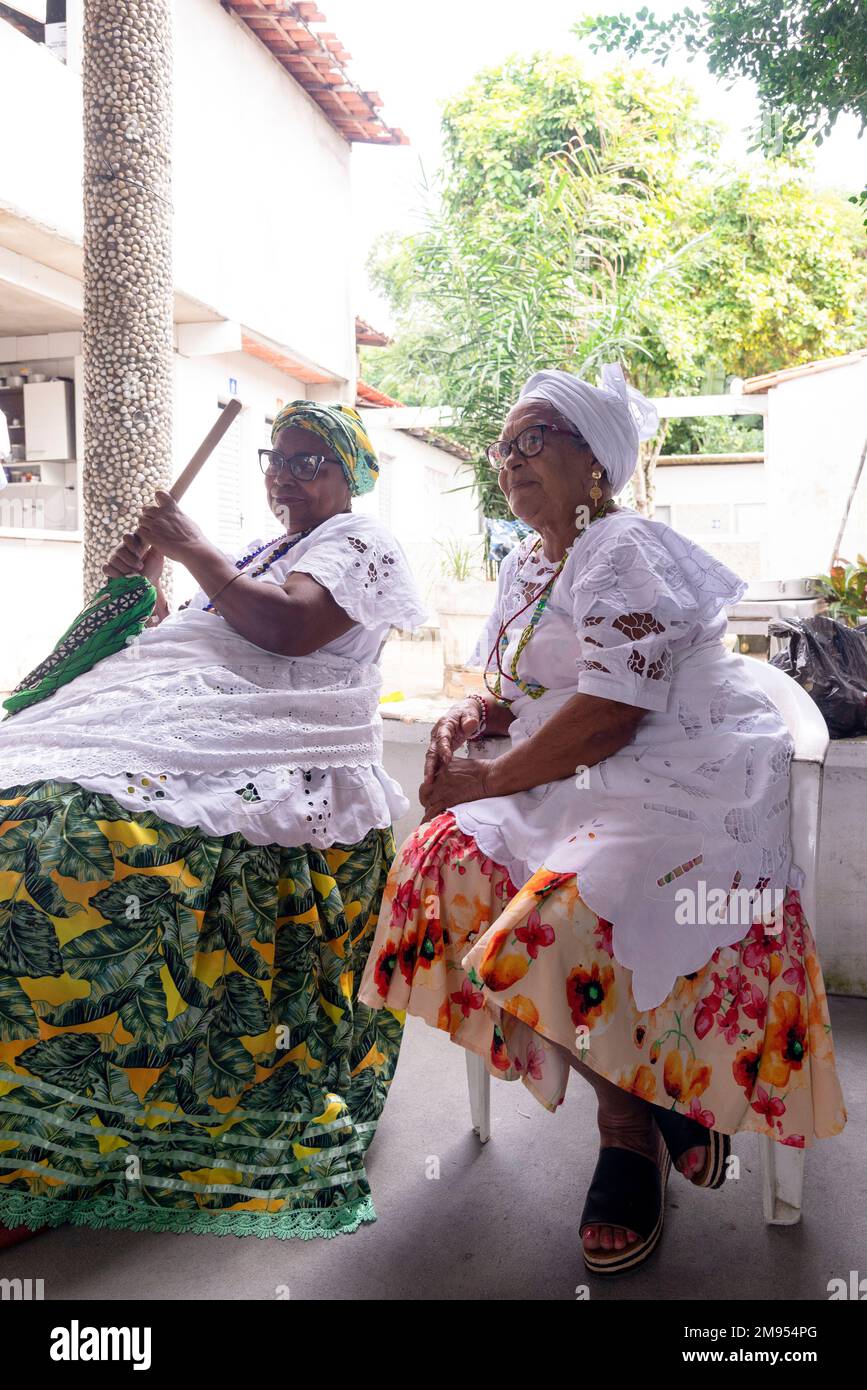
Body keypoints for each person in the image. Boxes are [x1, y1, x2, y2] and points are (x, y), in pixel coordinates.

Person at [359, 365, 846, 1276]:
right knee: (437, 860)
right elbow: (516, 686)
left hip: (683, 773)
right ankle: (657, 1105)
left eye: (534, 439)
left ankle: (626, 1129)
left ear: (598, 462)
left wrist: (485, 779)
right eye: (503, 448)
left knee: (566, 908)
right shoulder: (524, 561)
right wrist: (476, 716)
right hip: (575, 772)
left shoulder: (623, 547)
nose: (511, 462)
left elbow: (615, 710)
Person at [0, 400, 425, 1242]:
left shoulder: (359, 544)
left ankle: (46, 1152)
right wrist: (150, 588)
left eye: (310, 462)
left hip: (264, 737)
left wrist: (192, 548)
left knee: (51, 849)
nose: (285, 473)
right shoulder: (272, 548)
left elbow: (291, 629)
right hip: (175, 718)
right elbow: (213, 636)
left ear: (351, 477)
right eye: (280, 457)